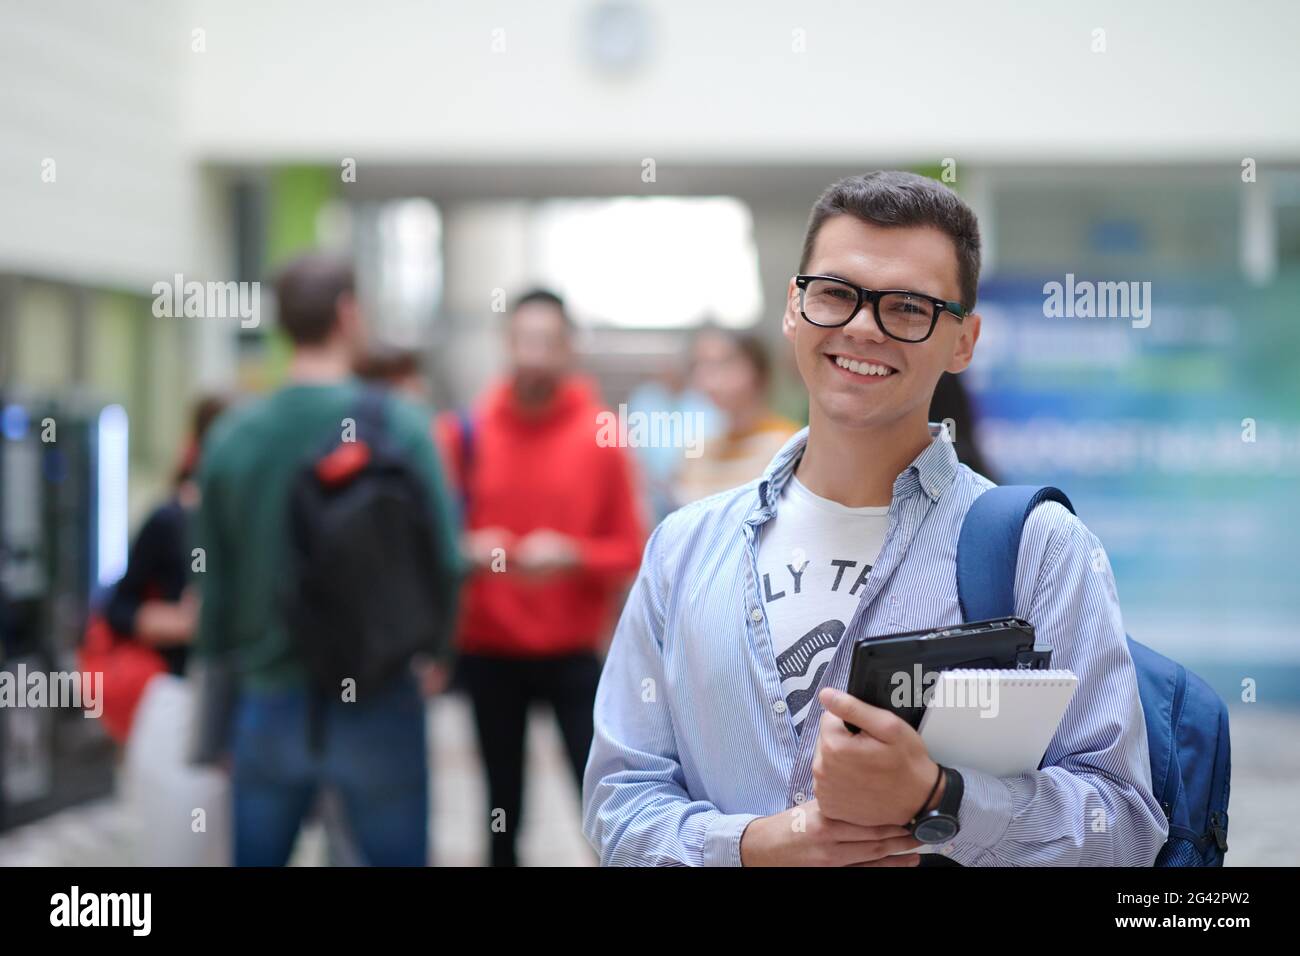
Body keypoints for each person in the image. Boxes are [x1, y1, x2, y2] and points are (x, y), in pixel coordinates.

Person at [583, 171, 1167, 866]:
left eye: (910, 307)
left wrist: (941, 798)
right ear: (793, 310)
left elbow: (1125, 827)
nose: (863, 326)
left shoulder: (1041, 550)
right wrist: (755, 845)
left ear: (963, 341)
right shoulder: (685, 547)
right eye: (835, 294)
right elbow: (619, 801)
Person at [194, 253, 462, 866]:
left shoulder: (232, 434)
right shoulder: (402, 422)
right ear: (347, 312)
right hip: (381, 694)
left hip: (267, 697)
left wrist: (217, 700)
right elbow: (447, 560)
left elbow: (210, 580)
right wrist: (439, 654)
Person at [437, 288, 645, 867]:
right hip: (488, 649)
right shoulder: (465, 433)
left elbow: (631, 548)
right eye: (523, 341)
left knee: (599, 797)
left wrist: (572, 556)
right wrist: (468, 550)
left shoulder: (600, 436)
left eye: (547, 343)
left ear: (569, 349)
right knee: (500, 804)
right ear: (506, 345)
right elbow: (433, 544)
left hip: (573, 651)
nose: (533, 356)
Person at [103, 395, 227, 679]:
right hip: (179, 683)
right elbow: (117, 608)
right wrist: (181, 622)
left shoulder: (254, 519)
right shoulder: (170, 521)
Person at [672, 327, 799, 505]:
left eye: (723, 363)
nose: (706, 377)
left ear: (757, 370)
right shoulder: (698, 451)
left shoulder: (789, 446)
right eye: (699, 365)